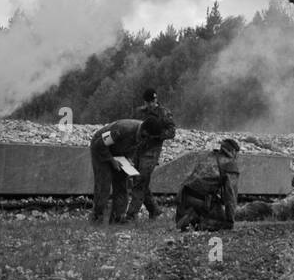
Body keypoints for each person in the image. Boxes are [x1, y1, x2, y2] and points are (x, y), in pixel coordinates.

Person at [126, 89, 176, 221]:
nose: (151, 104)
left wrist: (156, 134)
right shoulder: (140, 112)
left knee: (140, 181)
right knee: (139, 181)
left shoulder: (164, 113)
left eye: (153, 102)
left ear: (156, 100)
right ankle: (155, 210)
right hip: (138, 149)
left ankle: (131, 215)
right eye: (148, 102)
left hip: (152, 151)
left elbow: (172, 132)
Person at [175, 138, 241, 232]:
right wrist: (230, 221)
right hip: (201, 200)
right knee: (221, 223)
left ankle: (191, 219)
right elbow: (231, 197)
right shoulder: (229, 164)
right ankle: (196, 221)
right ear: (233, 151)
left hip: (184, 196)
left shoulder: (209, 156)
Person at [90, 118, 144, 224]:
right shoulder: (120, 130)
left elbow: (133, 147)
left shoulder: (147, 134)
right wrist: (111, 160)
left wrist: (129, 159)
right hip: (101, 150)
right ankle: (97, 217)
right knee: (104, 184)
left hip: (119, 153)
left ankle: (118, 218)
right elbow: (99, 144)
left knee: (122, 184)